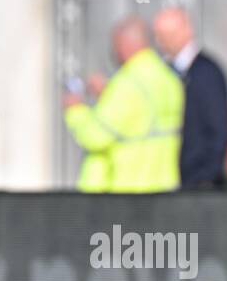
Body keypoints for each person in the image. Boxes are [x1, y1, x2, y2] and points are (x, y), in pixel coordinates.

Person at [64, 15, 183, 193]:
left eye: (115, 45)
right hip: (164, 188)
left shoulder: (127, 84)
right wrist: (108, 94)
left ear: (124, 44)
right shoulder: (169, 79)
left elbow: (95, 136)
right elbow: (141, 119)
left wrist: (76, 110)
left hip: (125, 192)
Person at [154, 6, 227, 189]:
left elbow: (219, 130)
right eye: (159, 35)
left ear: (186, 31)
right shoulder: (167, 72)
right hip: (177, 180)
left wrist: (205, 178)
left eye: (168, 34)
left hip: (198, 184)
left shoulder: (206, 73)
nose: (161, 42)